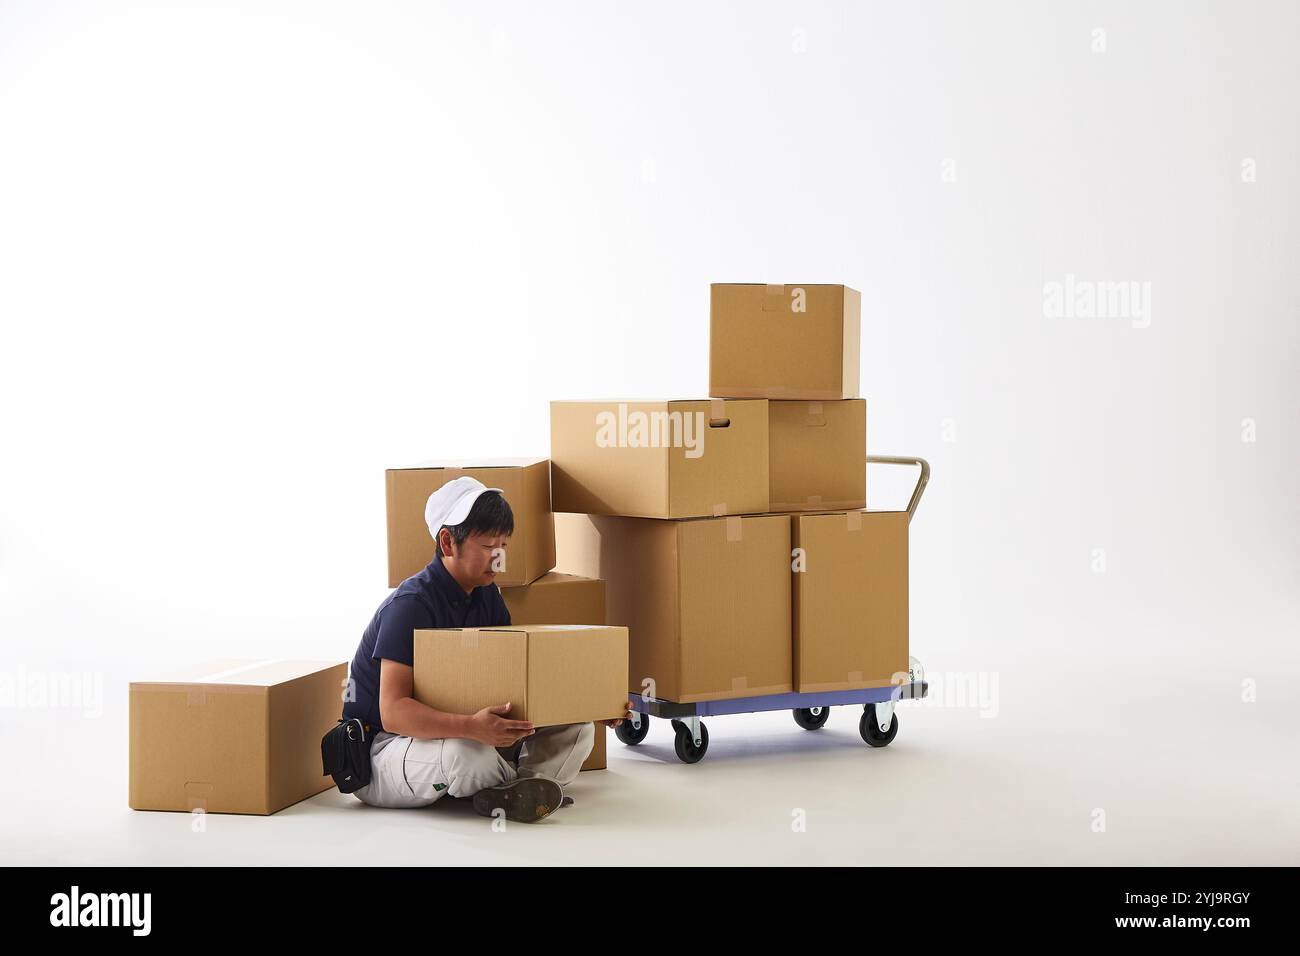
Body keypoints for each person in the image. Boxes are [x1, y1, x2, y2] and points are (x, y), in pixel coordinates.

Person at [341, 476, 626, 823]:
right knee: (466, 753)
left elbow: (513, 686)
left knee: (578, 729)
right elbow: (393, 712)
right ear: (448, 542)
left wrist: (589, 705)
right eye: (488, 545)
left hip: (457, 735)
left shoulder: (487, 597)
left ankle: (518, 790)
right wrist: (470, 728)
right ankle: (526, 789)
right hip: (384, 751)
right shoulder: (410, 605)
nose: (498, 557)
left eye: (503, 545)